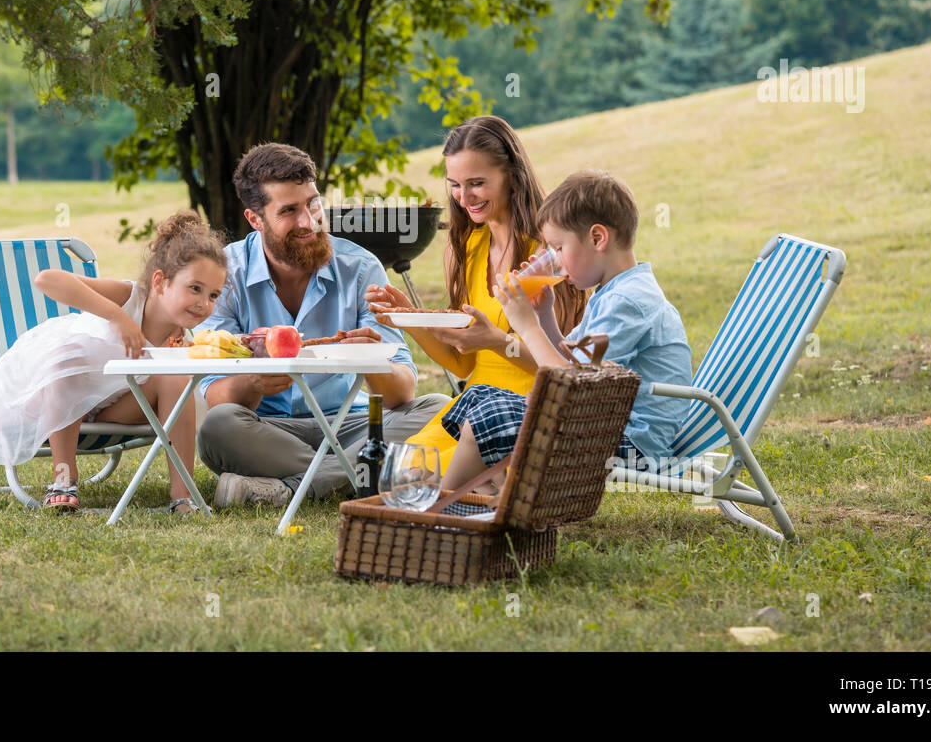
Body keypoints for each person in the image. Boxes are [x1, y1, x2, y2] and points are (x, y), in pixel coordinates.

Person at [195, 143, 449, 506]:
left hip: (351, 423)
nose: (308, 222)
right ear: (255, 219)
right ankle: (363, 474)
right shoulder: (224, 273)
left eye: (313, 204)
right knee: (218, 429)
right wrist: (253, 381)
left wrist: (373, 362)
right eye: (288, 211)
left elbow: (401, 395)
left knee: (439, 409)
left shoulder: (362, 268)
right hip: (268, 429)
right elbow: (216, 396)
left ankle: (288, 489)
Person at [438, 170, 693, 492]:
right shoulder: (615, 293)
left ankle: (437, 510)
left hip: (630, 446)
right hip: (606, 429)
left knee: (489, 416)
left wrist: (526, 326)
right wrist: (544, 315)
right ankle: (484, 504)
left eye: (558, 247)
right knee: (480, 397)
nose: (554, 260)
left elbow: (571, 386)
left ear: (598, 238)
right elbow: (573, 362)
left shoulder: (628, 302)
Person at [0, 211, 229, 513]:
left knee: (174, 379)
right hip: (63, 396)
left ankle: (184, 495)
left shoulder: (181, 334)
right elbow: (47, 279)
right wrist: (116, 317)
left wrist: (179, 356)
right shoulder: (129, 298)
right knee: (67, 355)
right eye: (195, 288)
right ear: (160, 282)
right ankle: (64, 475)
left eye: (213, 295)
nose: (203, 303)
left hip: (114, 407)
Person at [365, 115, 585, 466]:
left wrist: (496, 340)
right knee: (401, 468)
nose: (464, 197)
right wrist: (409, 317)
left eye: (476, 183)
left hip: (527, 406)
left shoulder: (546, 251)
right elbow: (464, 363)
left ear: (511, 176)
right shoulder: (464, 248)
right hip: (472, 405)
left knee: (428, 478)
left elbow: (561, 366)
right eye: (455, 184)